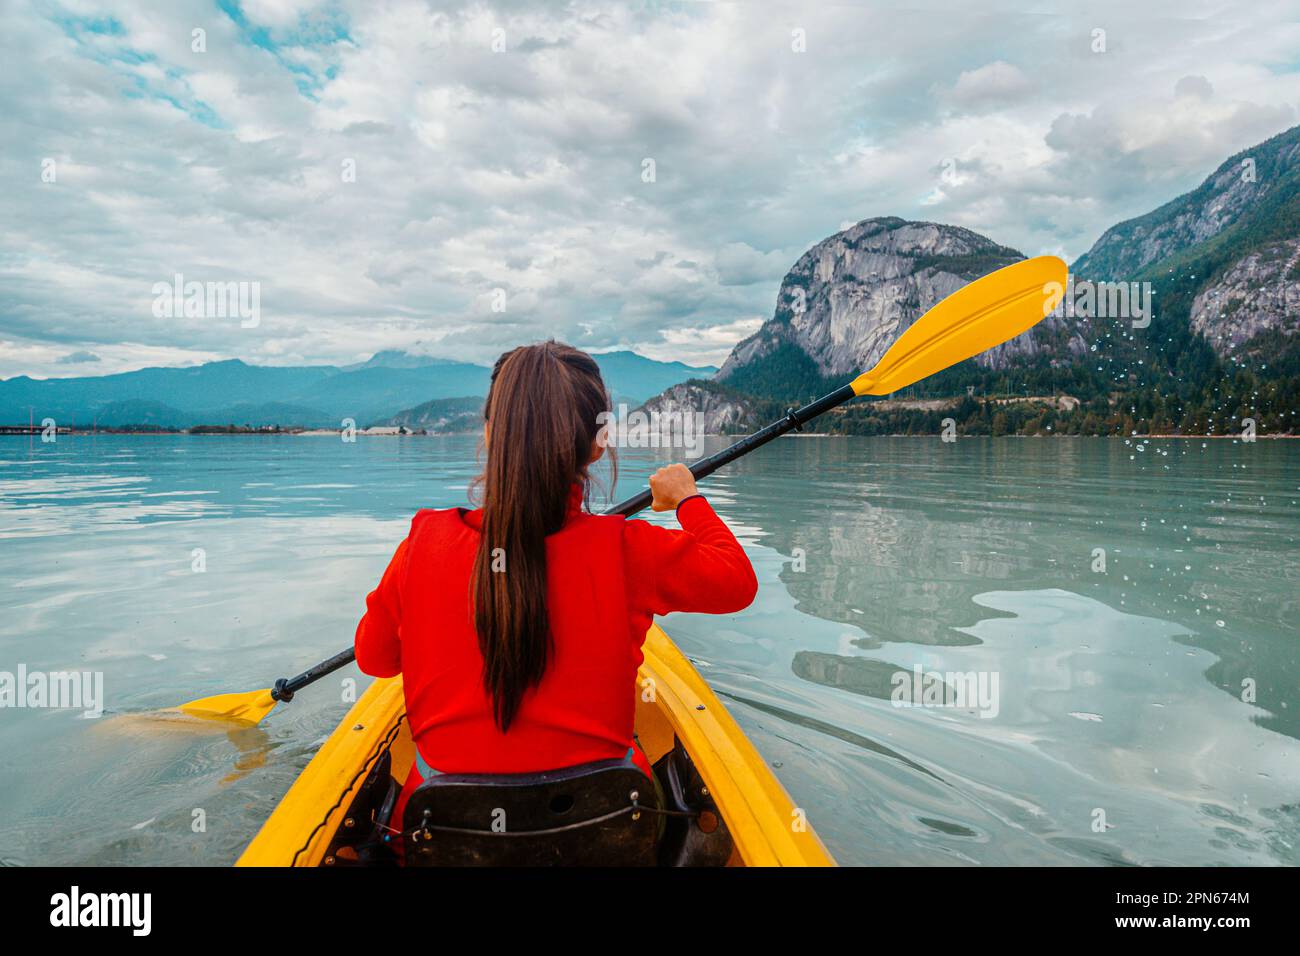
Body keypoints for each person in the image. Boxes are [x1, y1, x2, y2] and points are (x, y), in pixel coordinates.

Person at [353, 341, 757, 848]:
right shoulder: (630, 551)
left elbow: (374, 660)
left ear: (488, 436)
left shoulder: (423, 543)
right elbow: (737, 581)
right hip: (601, 841)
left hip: (448, 841)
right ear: (597, 445)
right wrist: (688, 499)